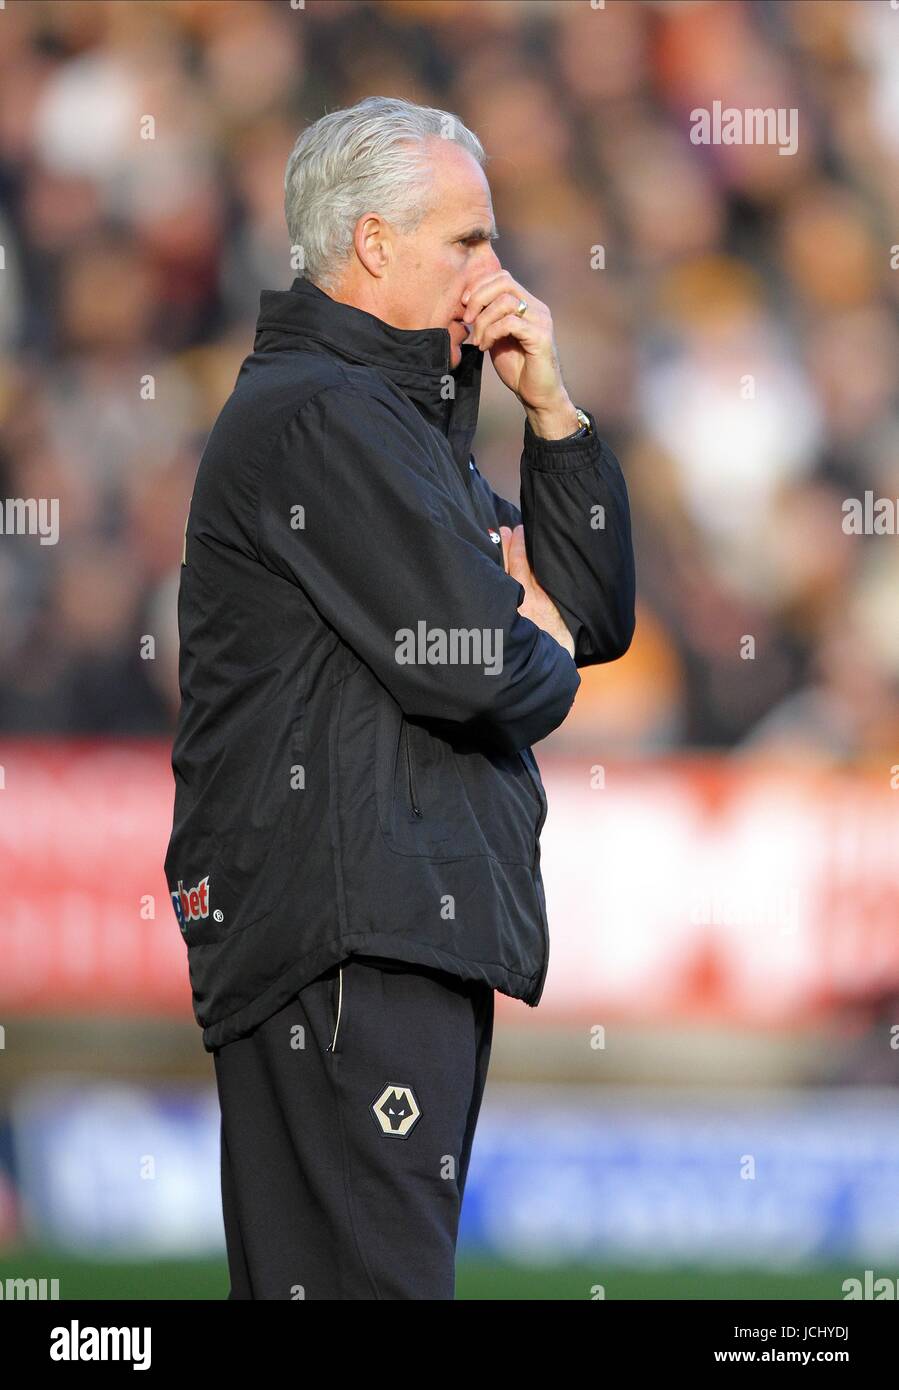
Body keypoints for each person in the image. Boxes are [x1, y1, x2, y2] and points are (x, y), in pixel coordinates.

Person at [164, 95, 635, 1300]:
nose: (496, 270)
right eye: (468, 240)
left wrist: (553, 414)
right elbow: (488, 665)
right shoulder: (326, 415)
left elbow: (586, 625)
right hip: (344, 927)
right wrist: (516, 617)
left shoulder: (393, 420)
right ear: (374, 243)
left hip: (384, 920)